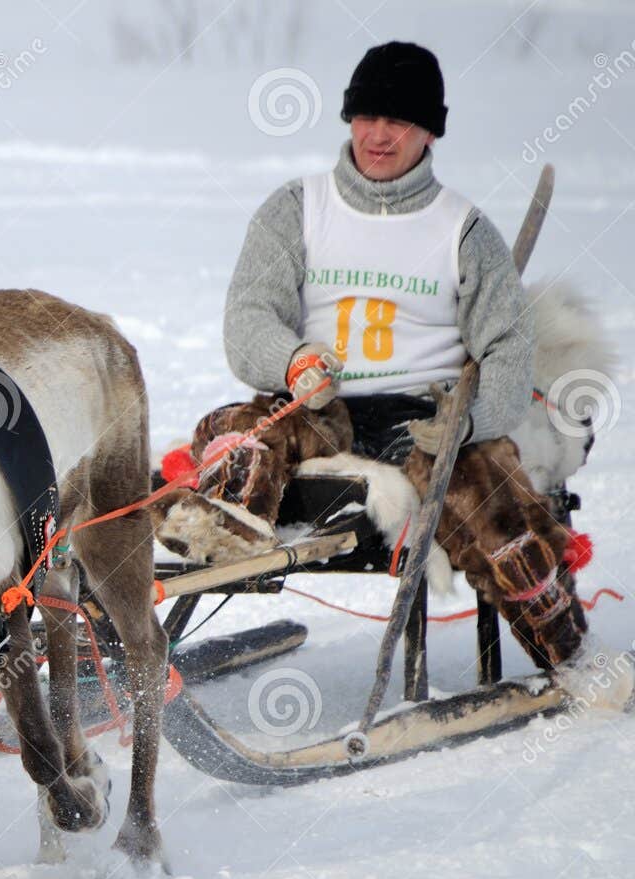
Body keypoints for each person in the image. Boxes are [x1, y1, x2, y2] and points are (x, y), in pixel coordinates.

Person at [157, 41, 592, 674]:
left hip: (425, 418)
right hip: (318, 405)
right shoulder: (295, 210)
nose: (378, 135)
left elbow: (507, 352)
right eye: (367, 117)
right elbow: (249, 318)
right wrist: (293, 359)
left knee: (488, 499)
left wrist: (467, 424)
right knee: (239, 431)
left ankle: (571, 656)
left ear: (428, 133)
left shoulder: (463, 230)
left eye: (399, 121)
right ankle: (220, 534)